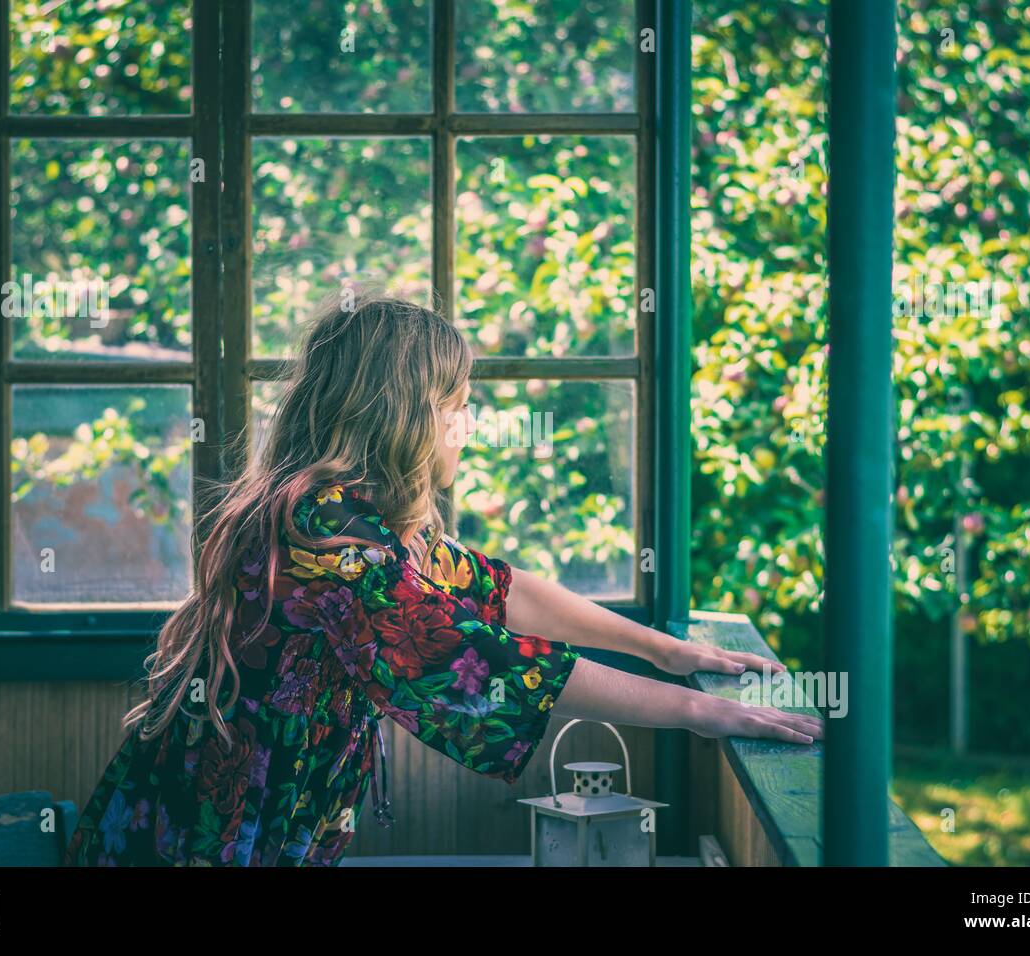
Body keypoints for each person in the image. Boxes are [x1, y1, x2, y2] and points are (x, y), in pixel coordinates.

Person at [63, 288, 823, 866]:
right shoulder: (325, 534)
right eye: (455, 405)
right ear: (403, 413)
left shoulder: (358, 521)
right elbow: (471, 661)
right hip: (200, 835)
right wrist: (701, 715)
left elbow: (500, 588)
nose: (467, 424)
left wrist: (664, 650)